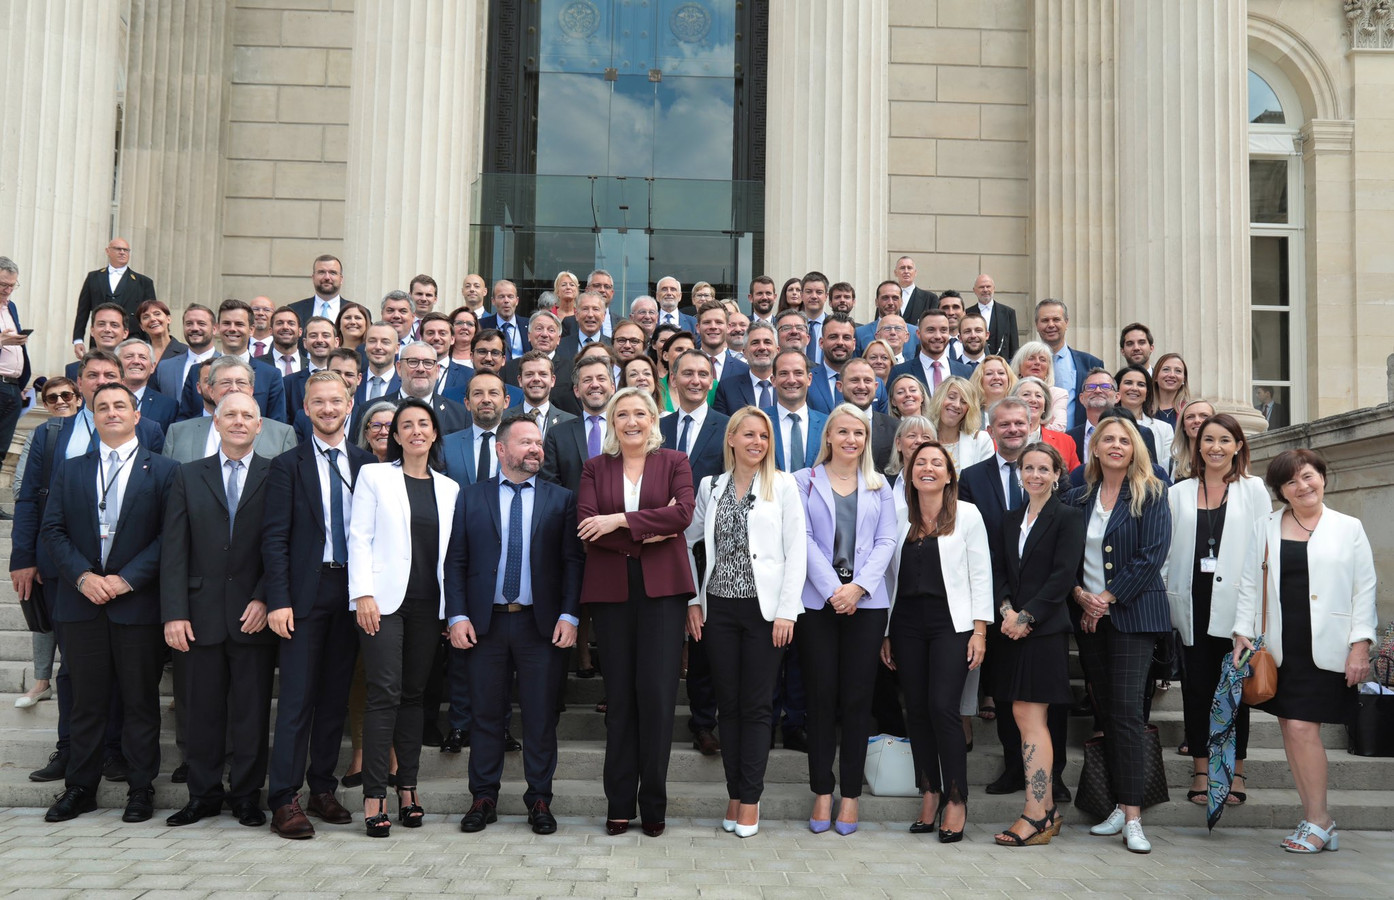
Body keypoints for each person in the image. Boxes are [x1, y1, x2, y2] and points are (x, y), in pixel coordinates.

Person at [40, 383, 179, 824]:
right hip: (81, 604)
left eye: (121, 405)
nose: (112, 412)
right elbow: (54, 531)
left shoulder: (165, 470)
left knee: (139, 702)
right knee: (86, 702)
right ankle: (80, 788)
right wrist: (83, 577)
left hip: (136, 605)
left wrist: (126, 579)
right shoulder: (70, 469)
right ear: (92, 416)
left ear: (137, 415)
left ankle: (141, 789)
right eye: (103, 407)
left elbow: (169, 538)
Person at [1233, 449, 1377, 853]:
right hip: (1280, 647)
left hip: (1329, 645)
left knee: (1300, 728)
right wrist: (1241, 634)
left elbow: (1364, 589)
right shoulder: (1266, 526)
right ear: (1281, 491)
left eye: (1309, 476)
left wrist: (1360, 645)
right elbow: (1249, 583)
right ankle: (1315, 817)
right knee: (1291, 731)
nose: (1303, 486)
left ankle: (1319, 819)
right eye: (1291, 482)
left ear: (1323, 477)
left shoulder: (1349, 527)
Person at [446, 415, 584, 834]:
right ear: (501, 449)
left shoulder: (561, 499)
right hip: (485, 625)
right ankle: (483, 797)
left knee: (541, 716)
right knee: (486, 715)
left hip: (539, 626)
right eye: (526, 443)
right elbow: (456, 561)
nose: (535, 450)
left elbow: (572, 562)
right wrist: (456, 615)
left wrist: (569, 613)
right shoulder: (471, 497)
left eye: (539, 443)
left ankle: (539, 798)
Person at [576, 387, 695, 836]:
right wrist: (651, 527)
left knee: (659, 699)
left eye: (639, 413)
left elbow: (683, 514)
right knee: (621, 699)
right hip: (611, 593)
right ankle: (619, 802)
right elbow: (587, 525)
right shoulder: (594, 467)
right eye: (621, 413)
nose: (631, 421)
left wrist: (621, 520)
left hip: (662, 593)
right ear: (611, 422)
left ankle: (654, 806)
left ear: (652, 420)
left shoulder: (675, 462)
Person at [262, 372, 375, 839]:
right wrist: (278, 600)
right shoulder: (285, 465)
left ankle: (321, 788)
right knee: (296, 700)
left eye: (336, 401)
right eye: (318, 402)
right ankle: (284, 799)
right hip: (304, 596)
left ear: (350, 405)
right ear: (305, 409)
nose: (328, 409)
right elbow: (274, 539)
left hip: (351, 595)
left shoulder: (368, 464)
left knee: (333, 698)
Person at [685, 408, 806, 838]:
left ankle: (750, 799)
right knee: (728, 707)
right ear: (731, 438)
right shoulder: (710, 486)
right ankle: (733, 794)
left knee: (756, 708)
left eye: (764, 436)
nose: (758, 442)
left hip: (764, 612)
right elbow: (686, 541)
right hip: (718, 609)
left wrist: (787, 611)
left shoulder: (784, 485)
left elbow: (797, 551)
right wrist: (692, 600)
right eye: (749, 434)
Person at [161, 392, 278, 828]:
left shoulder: (277, 473)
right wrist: (174, 612)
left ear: (260, 425)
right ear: (216, 420)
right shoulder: (188, 476)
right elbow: (174, 548)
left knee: (250, 712)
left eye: (248, 415)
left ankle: (247, 796)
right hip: (198, 613)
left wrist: (266, 596)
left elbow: (281, 544)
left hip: (254, 614)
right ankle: (203, 795)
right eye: (230, 414)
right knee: (201, 711)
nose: (239, 421)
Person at [347, 399, 460, 837]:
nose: (415, 430)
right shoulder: (375, 476)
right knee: (384, 693)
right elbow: (359, 537)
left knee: (414, 695)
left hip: (429, 606)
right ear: (394, 435)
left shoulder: (449, 488)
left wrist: (453, 612)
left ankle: (408, 789)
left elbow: (451, 555)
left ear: (434, 434)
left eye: (423, 424)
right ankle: (375, 795)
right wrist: (363, 594)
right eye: (406, 425)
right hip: (382, 603)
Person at [1066, 417, 1171, 853]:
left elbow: (1151, 557)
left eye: (1123, 440)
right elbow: (1066, 558)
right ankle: (1116, 805)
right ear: (1093, 447)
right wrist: (1080, 595)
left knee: (1127, 713)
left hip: (1132, 615)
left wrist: (1105, 598)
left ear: (1135, 448)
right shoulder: (1076, 497)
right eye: (1107, 438)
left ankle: (1133, 816)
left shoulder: (1152, 494)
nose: (1114, 445)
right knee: (1106, 713)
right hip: (1090, 620)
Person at [881, 440, 993, 842]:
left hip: (953, 623)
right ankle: (928, 791)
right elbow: (890, 578)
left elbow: (982, 575)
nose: (927, 468)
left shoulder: (968, 515)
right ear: (910, 473)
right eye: (920, 462)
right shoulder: (897, 517)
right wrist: (889, 631)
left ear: (949, 475)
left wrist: (980, 630)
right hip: (908, 624)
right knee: (917, 710)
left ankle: (957, 799)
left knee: (943, 708)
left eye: (937, 463)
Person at [794, 404, 897, 835]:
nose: (852, 439)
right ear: (829, 437)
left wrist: (858, 588)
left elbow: (888, 539)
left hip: (866, 605)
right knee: (820, 699)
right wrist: (833, 590)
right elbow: (800, 537)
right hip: (819, 605)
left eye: (859, 432)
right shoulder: (803, 481)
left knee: (857, 701)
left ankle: (850, 796)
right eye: (843, 432)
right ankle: (822, 790)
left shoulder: (880, 485)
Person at [1164, 413, 1266, 806]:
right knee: (1196, 689)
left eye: (1225, 440)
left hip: (1236, 607)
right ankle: (1203, 772)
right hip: (1191, 601)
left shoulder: (1252, 489)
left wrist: (1251, 619)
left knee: (1233, 692)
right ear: (1197, 445)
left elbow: (1261, 554)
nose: (1216, 447)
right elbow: (1169, 551)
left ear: (1238, 446)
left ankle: (1235, 773)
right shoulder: (1179, 492)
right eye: (1209, 439)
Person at [990, 442, 1084, 845]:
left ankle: (1036, 813)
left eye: (1043, 468)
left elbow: (1063, 577)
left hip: (1043, 633)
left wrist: (1026, 617)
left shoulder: (1068, 517)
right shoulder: (1011, 519)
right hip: (1011, 631)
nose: (1035, 475)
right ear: (1020, 473)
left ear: (1057, 473)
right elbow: (1001, 572)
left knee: (1032, 718)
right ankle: (1044, 810)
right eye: (1028, 468)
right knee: (1021, 715)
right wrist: (1008, 611)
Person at [11, 378, 79, 711]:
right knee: (43, 608)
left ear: (78, 399)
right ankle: (41, 680)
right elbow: (22, 487)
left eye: (66, 395)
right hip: (45, 535)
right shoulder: (42, 435)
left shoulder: (93, 430)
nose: (60, 401)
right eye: (52, 398)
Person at [71, 238, 156, 350]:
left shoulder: (143, 282)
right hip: (100, 339)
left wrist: (150, 342)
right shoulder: (93, 278)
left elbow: (149, 314)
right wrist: (78, 339)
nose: (122, 252)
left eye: (126, 250)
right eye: (118, 249)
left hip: (132, 339)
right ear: (108, 251)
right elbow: (83, 311)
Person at [1032, 299, 1103, 430]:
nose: (1051, 325)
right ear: (1036, 325)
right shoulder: (1021, 365)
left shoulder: (1091, 364)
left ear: (1066, 322)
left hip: (1075, 443)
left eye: (1056, 319)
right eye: (1045, 320)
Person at [1010, 376, 1081, 472]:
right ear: (1013, 402)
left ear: (1045, 406)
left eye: (1038, 396)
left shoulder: (1066, 441)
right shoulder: (997, 439)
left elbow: (1075, 480)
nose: (1033, 400)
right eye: (1026, 394)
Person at [926, 375, 994, 470]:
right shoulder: (923, 438)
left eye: (964, 401)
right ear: (939, 399)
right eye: (951, 397)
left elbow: (984, 481)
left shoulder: (981, 440)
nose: (957, 405)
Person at [1115, 364, 1175, 467]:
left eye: (1141, 385)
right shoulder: (1104, 424)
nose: (1134, 388)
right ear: (1117, 389)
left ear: (1147, 393)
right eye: (1128, 383)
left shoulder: (1164, 429)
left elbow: (1166, 470)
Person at [1010, 342, 1070, 432]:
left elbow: (1059, 428)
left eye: (1042, 360)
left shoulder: (1058, 394)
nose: (1037, 362)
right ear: (1019, 366)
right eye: (1031, 358)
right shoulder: (1007, 391)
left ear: (1048, 369)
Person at [968, 273, 1019, 359]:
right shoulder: (967, 313)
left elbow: (1014, 345)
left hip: (1002, 364)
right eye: (981, 287)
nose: (985, 290)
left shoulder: (1008, 312)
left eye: (988, 286)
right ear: (974, 290)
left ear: (994, 289)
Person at [885, 416, 938, 496]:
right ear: (898, 443)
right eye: (912, 436)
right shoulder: (885, 486)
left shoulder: (941, 484)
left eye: (926, 437)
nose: (919, 441)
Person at [290, 254, 347, 327]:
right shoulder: (294, 310)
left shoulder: (355, 313)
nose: (327, 277)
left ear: (341, 279)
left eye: (332, 273)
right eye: (321, 272)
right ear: (313, 278)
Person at [1169, 398, 1216, 481]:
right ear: (1183, 425)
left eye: (1204, 416)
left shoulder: (1226, 462)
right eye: (1190, 417)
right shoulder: (1170, 464)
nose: (1197, 421)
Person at [1152, 353, 1191, 426]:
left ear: (1184, 379)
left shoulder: (1189, 410)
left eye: (1178, 371)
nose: (1172, 375)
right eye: (1166, 369)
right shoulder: (1143, 409)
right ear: (1156, 376)